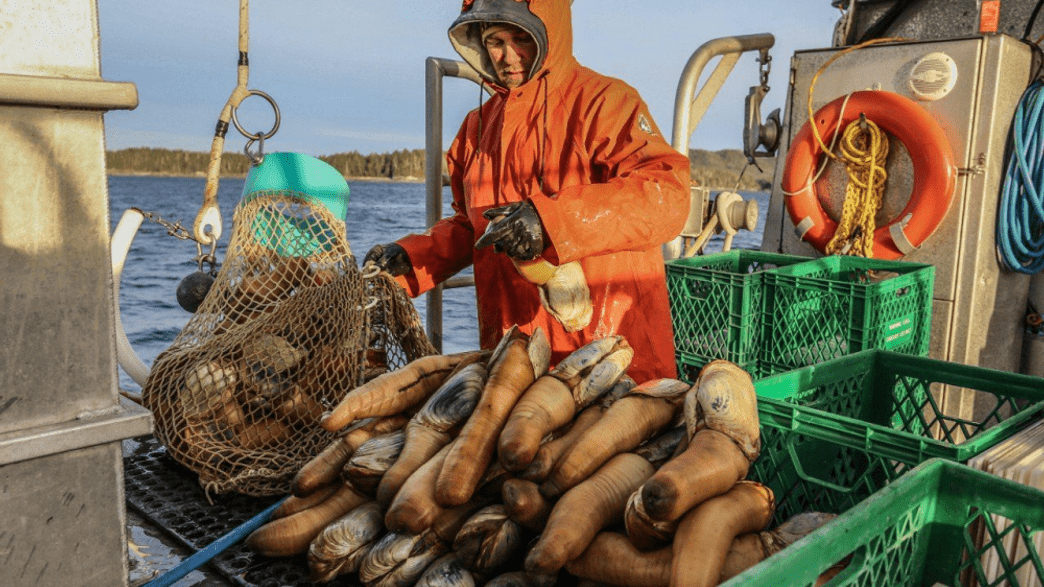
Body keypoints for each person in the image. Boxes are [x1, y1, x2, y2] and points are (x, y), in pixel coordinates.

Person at [365, 0, 691, 383]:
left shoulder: (604, 101)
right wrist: (411, 259)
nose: (508, 56)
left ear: (547, 30)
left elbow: (666, 194)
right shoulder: (476, 128)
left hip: (612, 355)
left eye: (520, 37)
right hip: (515, 355)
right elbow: (474, 227)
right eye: (494, 41)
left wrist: (550, 222)